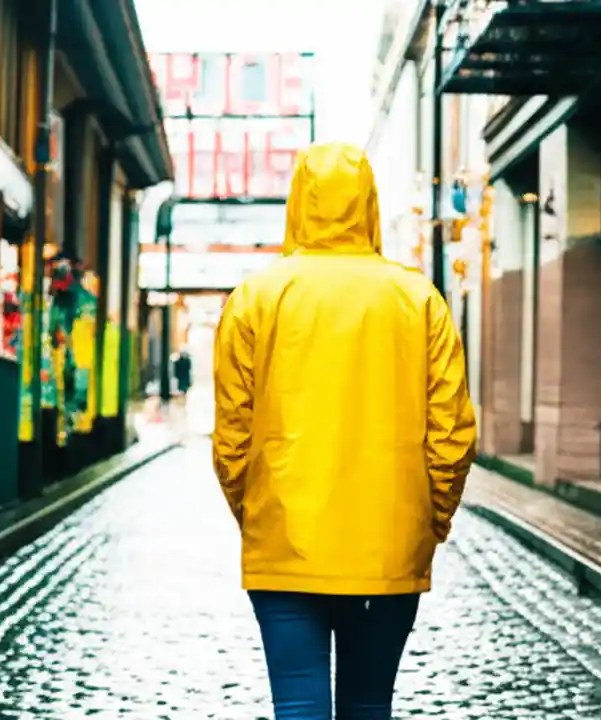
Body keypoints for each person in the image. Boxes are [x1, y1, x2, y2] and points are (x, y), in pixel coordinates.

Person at [212, 142, 477, 719]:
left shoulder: (256, 299)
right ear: (369, 203)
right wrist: (428, 521)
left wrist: (257, 515)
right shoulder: (417, 299)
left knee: (298, 705)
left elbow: (232, 435)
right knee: (369, 705)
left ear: (297, 202)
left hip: (284, 542)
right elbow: (452, 433)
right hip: (388, 545)